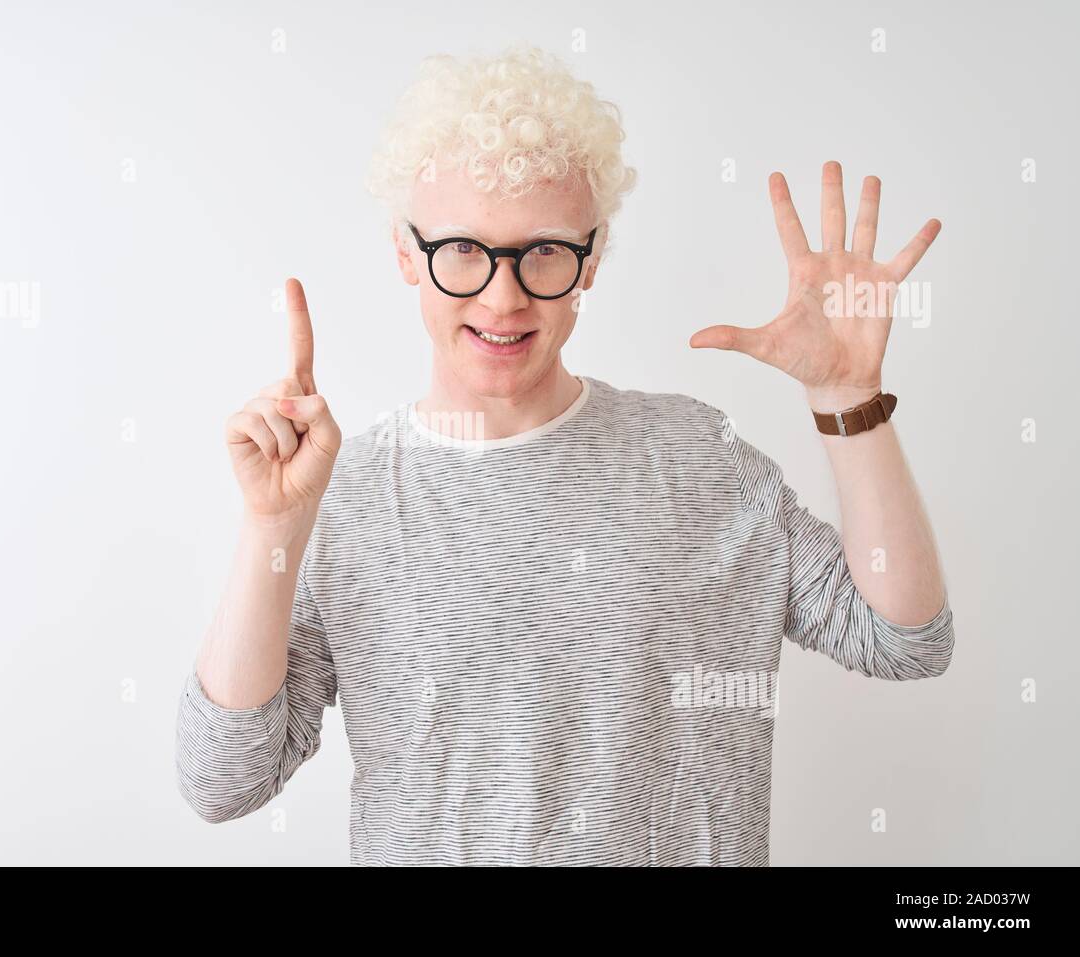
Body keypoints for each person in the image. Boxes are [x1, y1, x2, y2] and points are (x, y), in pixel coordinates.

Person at [175, 46, 953, 865]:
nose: (503, 297)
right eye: (463, 250)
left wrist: (847, 398)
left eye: (544, 250)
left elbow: (906, 638)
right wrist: (272, 527)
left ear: (593, 252)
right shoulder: (342, 495)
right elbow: (222, 780)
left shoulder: (697, 457)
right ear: (407, 251)